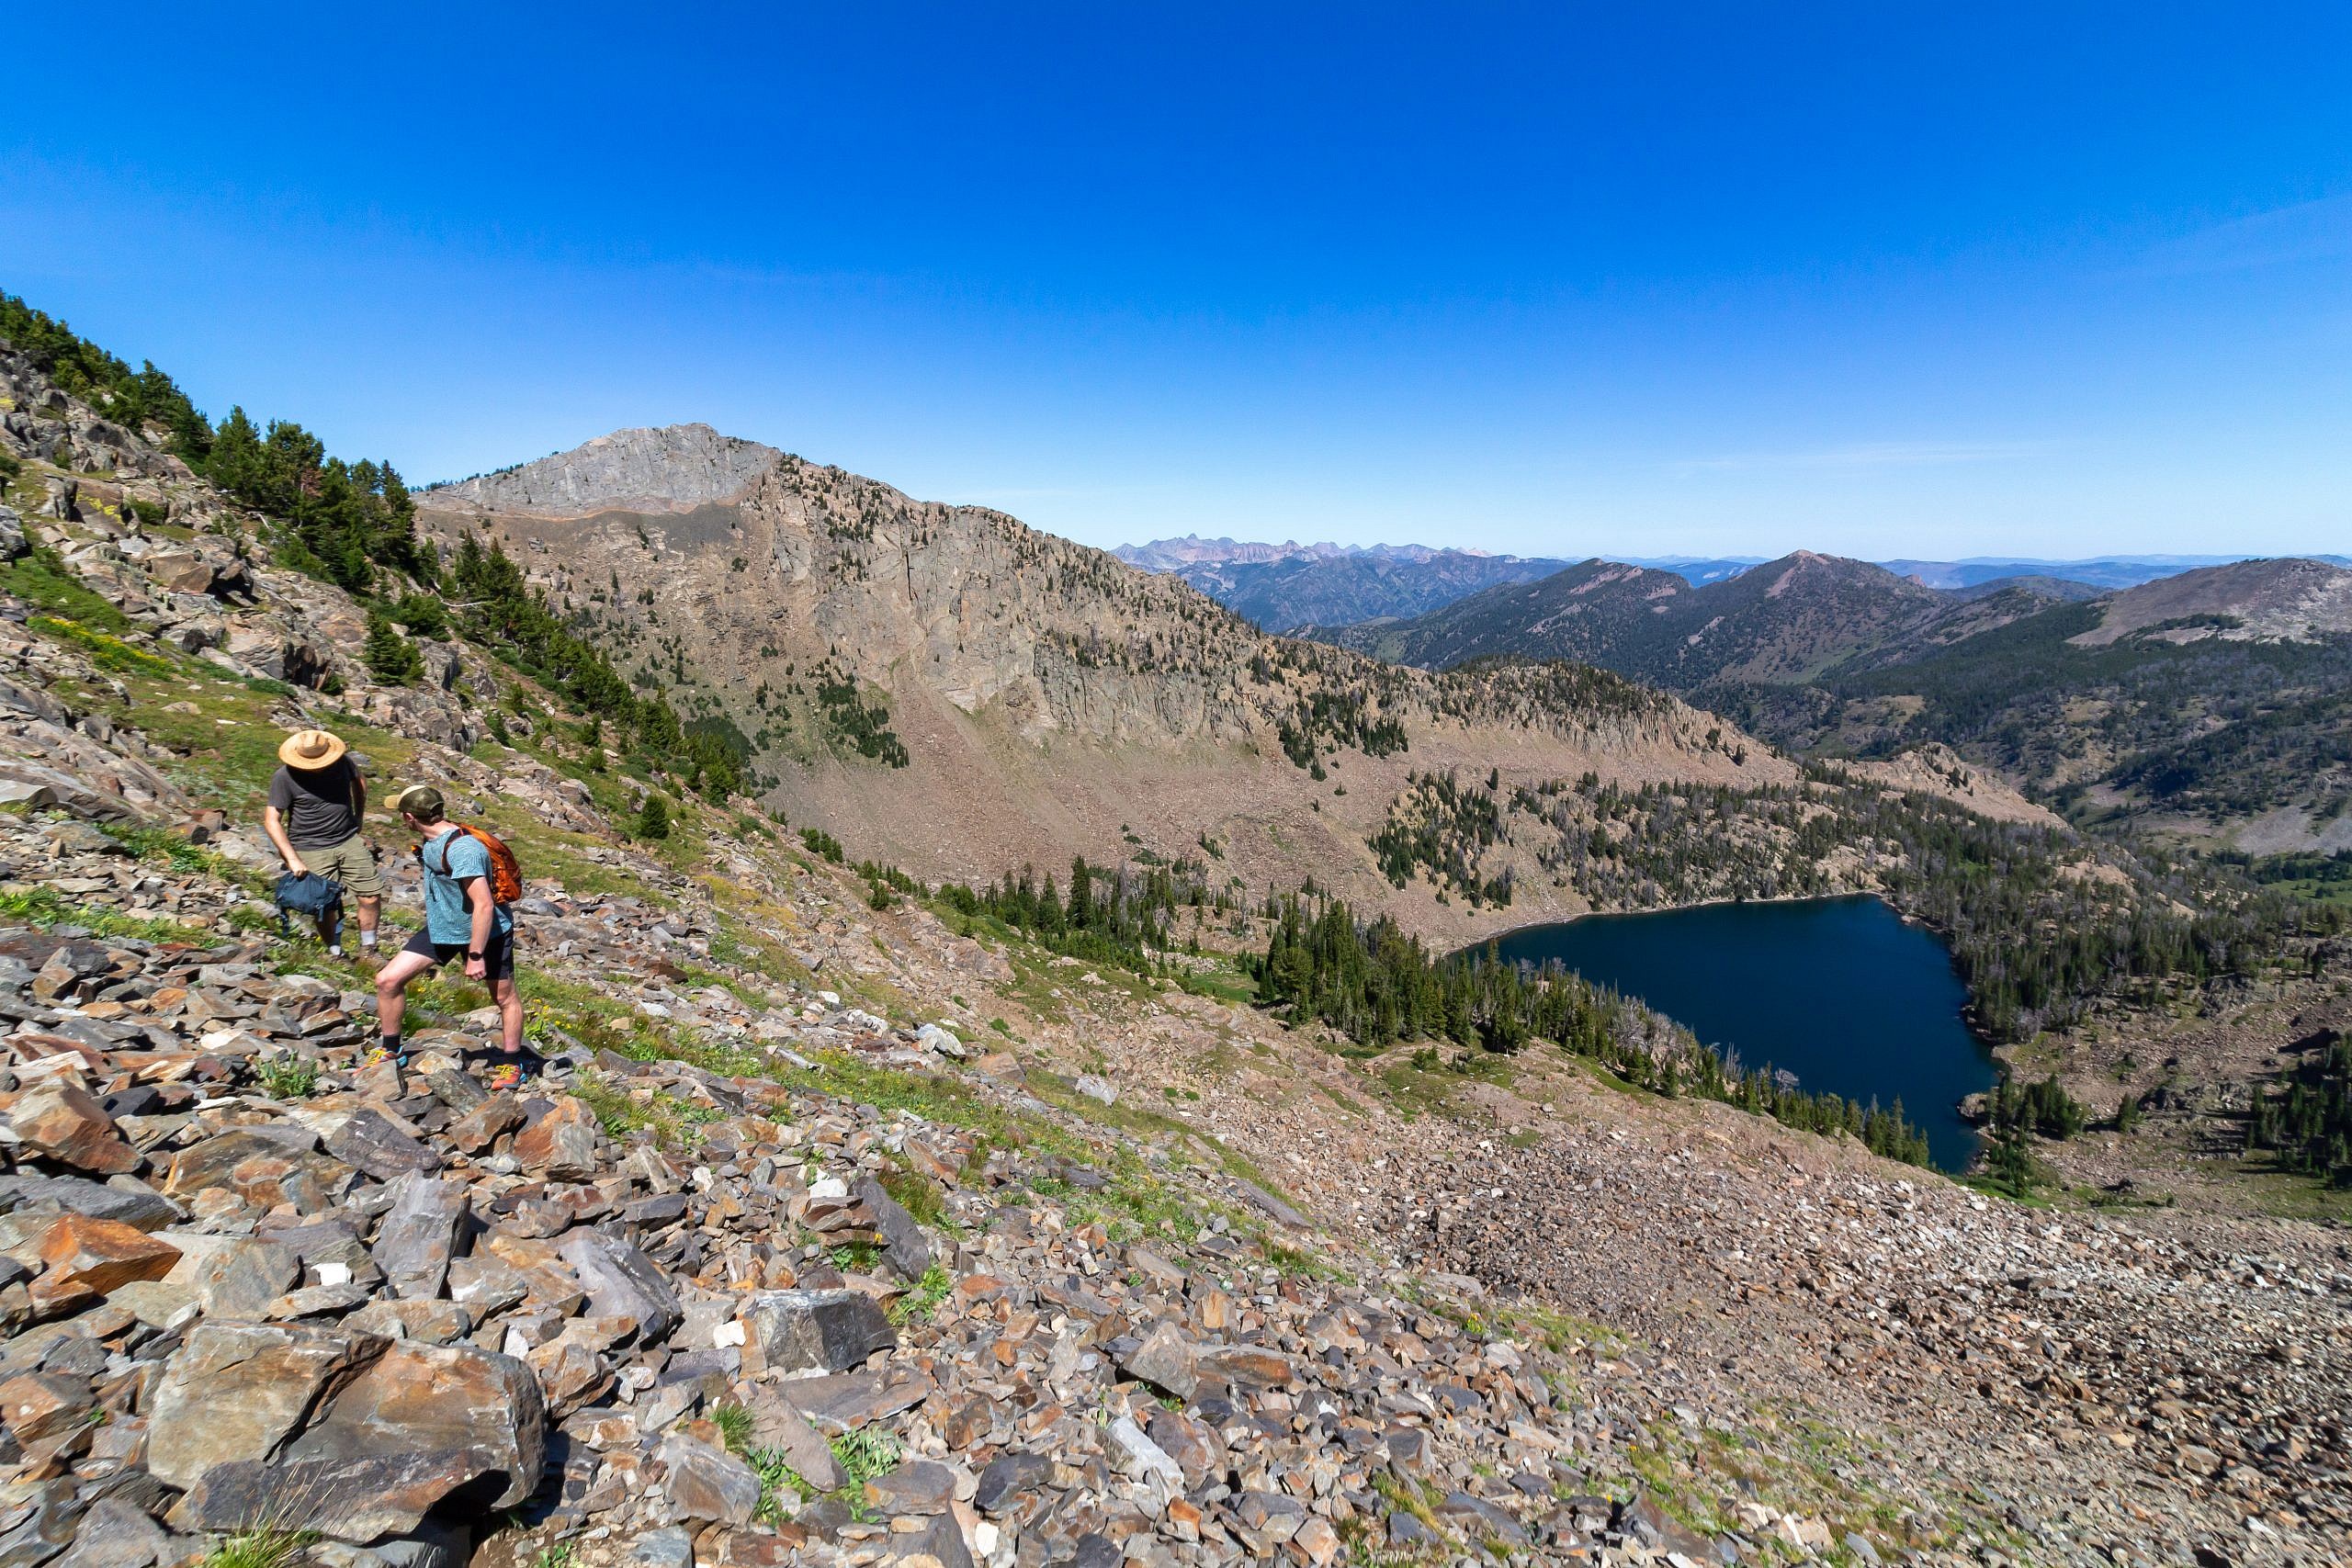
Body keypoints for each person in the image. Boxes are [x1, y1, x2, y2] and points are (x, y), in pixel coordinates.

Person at [373, 784, 528, 1086]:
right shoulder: (434, 837)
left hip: (486, 933)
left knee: (504, 998)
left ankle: (512, 1065)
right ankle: (391, 1051)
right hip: (444, 928)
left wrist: (475, 955)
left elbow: (483, 905)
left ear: (409, 817)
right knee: (387, 980)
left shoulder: (462, 849)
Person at [263, 728, 382, 958]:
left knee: (371, 895)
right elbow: (271, 820)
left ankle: (369, 949)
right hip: (309, 846)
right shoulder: (284, 777)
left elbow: (359, 781)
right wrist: (292, 859)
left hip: (347, 838)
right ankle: (335, 952)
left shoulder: (342, 762)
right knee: (324, 904)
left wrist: (359, 815)